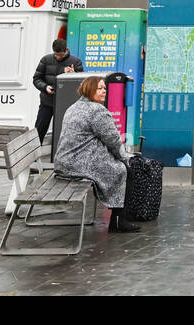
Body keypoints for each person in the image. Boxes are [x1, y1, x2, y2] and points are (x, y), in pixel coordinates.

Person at [55, 75, 140, 233]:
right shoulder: (97, 111)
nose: (103, 91)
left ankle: (117, 220)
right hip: (78, 164)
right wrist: (124, 158)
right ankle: (121, 221)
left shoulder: (73, 107)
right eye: (99, 88)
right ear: (89, 89)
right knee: (123, 170)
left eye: (104, 88)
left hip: (65, 161)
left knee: (118, 167)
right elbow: (113, 140)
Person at [32, 38, 82, 144]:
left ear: (66, 50)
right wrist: (45, 87)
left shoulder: (76, 62)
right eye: (56, 54)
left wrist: (72, 75)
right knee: (39, 131)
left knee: (63, 133)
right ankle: (33, 157)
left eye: (61, 55)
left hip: (66, 105)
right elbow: (37, 79)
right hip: (47, 102)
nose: (58, 57)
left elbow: (81, 84)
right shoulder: (46, 60)